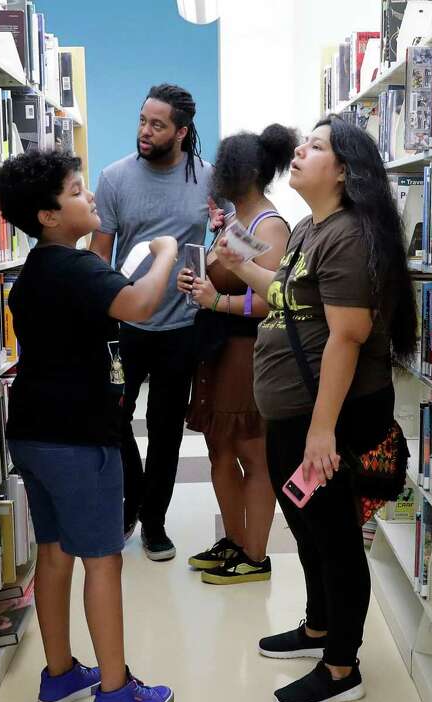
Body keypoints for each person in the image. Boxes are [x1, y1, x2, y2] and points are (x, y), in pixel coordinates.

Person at [215, 117, 416, 702]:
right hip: (296, 416)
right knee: (306, 529)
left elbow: (348, 334)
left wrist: (322, 430)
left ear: (345, 171)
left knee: (334, 538)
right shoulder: (310, 227)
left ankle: (340, 669)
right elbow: (286, 292)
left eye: (317, 146)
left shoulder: (349, 235)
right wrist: (240, 263)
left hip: (329, 417)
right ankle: (319, 626)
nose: (299, 152)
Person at [0, 149, 178, 702]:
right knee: (103, 561)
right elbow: (142, 304)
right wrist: (165, 252)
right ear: (49, 215)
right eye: (77, 191)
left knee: (53, 552)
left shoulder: (33, 271)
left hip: (34, 433)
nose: (90, 197)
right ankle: (117, 691)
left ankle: (59, 673)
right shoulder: (79, 269)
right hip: (81, 436)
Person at [90, 83, 229, 562]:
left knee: (167, 429)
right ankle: (134, 501)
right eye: (142, 120)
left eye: (157, 125)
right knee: (113, 417)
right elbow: (99, 254)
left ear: (182, 132)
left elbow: (236, 247)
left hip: (182, 328)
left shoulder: (211, 181)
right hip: (125, 330)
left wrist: (220, 235)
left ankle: (154, 523)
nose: (145, 132)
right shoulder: (113, 178)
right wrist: (98, 318)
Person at [176, 124, 297, 586]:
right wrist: (200, 283)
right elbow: (230, 276)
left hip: (248, 354)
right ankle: (235, 540)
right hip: (218, 351)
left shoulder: (268, 225)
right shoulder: (237, 221)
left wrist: (217, 301)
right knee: (220, 450)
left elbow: (273, 299)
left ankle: (256, 554)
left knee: (252, 454)